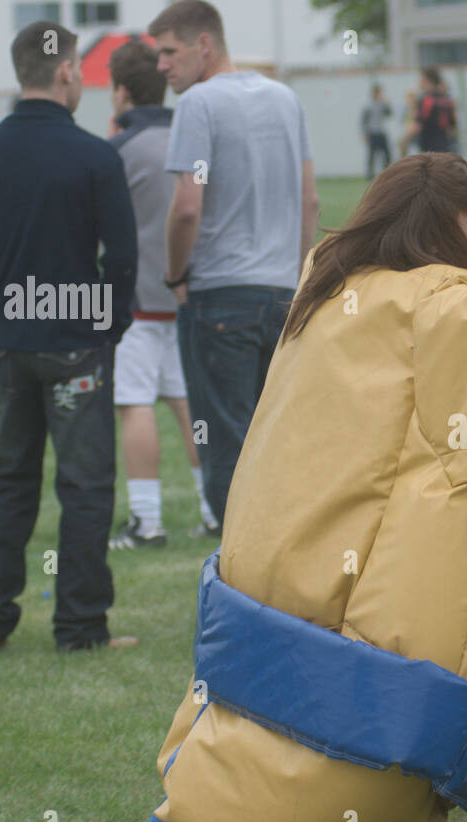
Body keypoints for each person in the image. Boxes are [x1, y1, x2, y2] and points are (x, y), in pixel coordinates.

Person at [99, 153, 467, 822]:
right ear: (455, 223)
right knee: (354, 702)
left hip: (277, 538)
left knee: (246, 692)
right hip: (369, 560)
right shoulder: (439, 301)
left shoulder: (328, 278)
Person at [0, 20, 138, 653]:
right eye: (79, 66)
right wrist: (108, 324)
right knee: (84, 485)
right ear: (63, 71)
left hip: (12, 344)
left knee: (10, 477)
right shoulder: (93, 156)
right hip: (77, 341)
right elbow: (125, 258)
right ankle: (81, 626)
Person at [149, 0, 320, 531]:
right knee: (280, 445)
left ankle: (243, 582)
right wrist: (292, 280)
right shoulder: (285, 98)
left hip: (219, 296)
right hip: (280, 294)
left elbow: (186, 205)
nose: (161, 66)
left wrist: (176, 277)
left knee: (225, 448)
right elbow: (309, 201)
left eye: (169, 52)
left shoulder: (198, 104)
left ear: (205, 45)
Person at [106, 40, 218, 549]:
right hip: (189, 293)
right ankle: (213, 508)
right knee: (187, 405)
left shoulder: (119, 150)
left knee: (134, 405)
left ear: (121, 91)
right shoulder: (189, 135)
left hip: (134, 299)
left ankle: (147, 521)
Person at [409, 67, 458, 154]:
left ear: (427, 80)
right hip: (445, 149)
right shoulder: (447, 100)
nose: (419, 82)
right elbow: (452, 129)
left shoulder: (426, 101)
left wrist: (403, 141)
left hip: (429, 151)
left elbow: (417, 126)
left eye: (421, 79)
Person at [360, 83, 391, 177]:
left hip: (381, 131)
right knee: (371, 155)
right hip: (372, 132)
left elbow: (389, 114)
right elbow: (363, 121)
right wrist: (364, 134)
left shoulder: (383, 104)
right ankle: (369, 175)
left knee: (387, 154)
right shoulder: (368, 105)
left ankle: (387, 172)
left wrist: (386, 102)